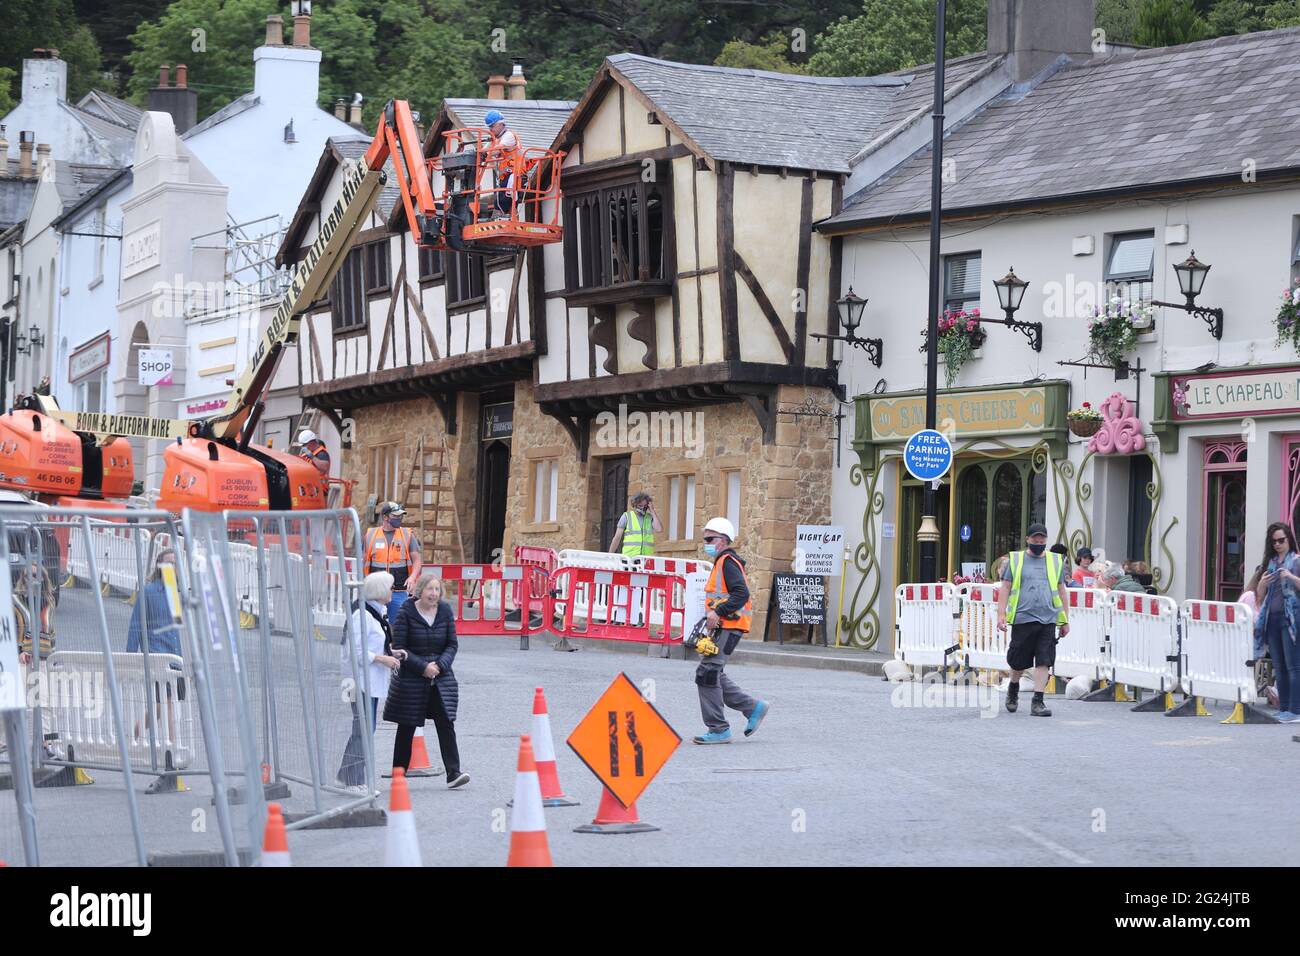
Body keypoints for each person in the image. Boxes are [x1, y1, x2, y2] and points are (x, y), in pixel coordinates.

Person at [384, 573, 469, 788]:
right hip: (412, 677)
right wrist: (423, 667)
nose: (433, 594)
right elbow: (399, 647)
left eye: (437, 590)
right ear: (420, 590)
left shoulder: (445, 611)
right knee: (407, 725)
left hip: (441, 676)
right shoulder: (406, 612)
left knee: (446, 723)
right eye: (430, 589)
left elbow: (452, 644)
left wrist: (439, 666)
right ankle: (398, 775)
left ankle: (453, 773)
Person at [692, 517, 770, 744]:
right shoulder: (723, 561)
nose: (706, 542)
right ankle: (753, 708)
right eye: (705, 538)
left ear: (723, 540)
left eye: (710, 539)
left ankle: (719, 729)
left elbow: (741, 594)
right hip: (725, 627)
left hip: (729, 626)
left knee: (708, 674)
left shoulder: (727, 561)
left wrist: (718, 612)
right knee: (712, 672)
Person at [996, 522, 1070, 717]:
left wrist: (1065, 620)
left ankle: (1038, 701)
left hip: (1047, 618)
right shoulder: (1016, 560)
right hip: (1023, 617)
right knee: (1018, 661)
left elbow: (1062, 591)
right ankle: (1013, 687)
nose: (1039, 542)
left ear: (1046, 540)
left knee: (1044, 660)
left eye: (1042, 539)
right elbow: (1005, 588)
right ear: (1027, 539)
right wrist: (1001, 615)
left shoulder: (1056, 561)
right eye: (1035, 538)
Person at [337, 572, 402, 792]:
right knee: (364, 727)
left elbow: (371, 643)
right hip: (358, 680)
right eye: (391, 588)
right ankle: (353, 780)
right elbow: (354, 650)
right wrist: (382, 658)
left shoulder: (375, 612)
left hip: (368, 680)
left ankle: (347, 774)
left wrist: (390, 652)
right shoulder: (362, 615)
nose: (393, 592)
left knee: (364, 727)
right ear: (381, 591)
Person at [126, 549, 184, 741]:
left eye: (175, 563)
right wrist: (130, 658)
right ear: (160, 567)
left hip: (173, 658)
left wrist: (183, 664)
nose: (172, 567)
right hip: (157, 656)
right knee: (167, 703)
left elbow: (175, 633)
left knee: (160, 707)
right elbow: (136, 625)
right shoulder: (149, 592)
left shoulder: (175, 593)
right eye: (168, 562)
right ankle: (172, 747)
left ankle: (132, 736)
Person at [1254, 522, 1300, 721]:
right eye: (1274, 542)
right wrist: (1262, 584)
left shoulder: (1296, 561)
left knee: (1293, 666)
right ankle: (1284, 708)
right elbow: (1259, 597)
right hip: (1271, 619)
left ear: (1289, 539)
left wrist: (1290, 576)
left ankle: (1295, 710)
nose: (1278, 544)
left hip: (1290, 619)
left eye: (1281, 540)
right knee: (1279, 666)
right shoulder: (1271, 563)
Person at [364, 502, 421, 621]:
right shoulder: (370, 535)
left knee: (399, 624)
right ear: (385, 517)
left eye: (401, 516)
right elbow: (362, 561)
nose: (399, 519)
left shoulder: (407, 534)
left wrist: (413, 577)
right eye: (396, 516)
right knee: (374, 622)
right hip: (376, 591)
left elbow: (417, 560)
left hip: (398, 591)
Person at [484, 110, 524, 216]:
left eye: (492, 126)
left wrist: (484, 154)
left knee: (502, 202)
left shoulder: (509, 136)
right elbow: (483, 150)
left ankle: (500, 219)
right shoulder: (495, 139)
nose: (490, 129)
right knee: (503, 200)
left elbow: (497, 150)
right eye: (489, 127)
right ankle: (507, 219)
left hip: (515, 174)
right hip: (506, 175)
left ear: (501, 124)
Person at [608, 491, 662, 556]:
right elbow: (617, 538)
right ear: (634, 505)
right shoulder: (626, 516)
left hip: (646, 559)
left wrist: (652, 510)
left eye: (645, 506)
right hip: (630, 558)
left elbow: (659, 529)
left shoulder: (649, 518)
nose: (642, 508)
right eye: (640, 505)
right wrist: (610, 555)